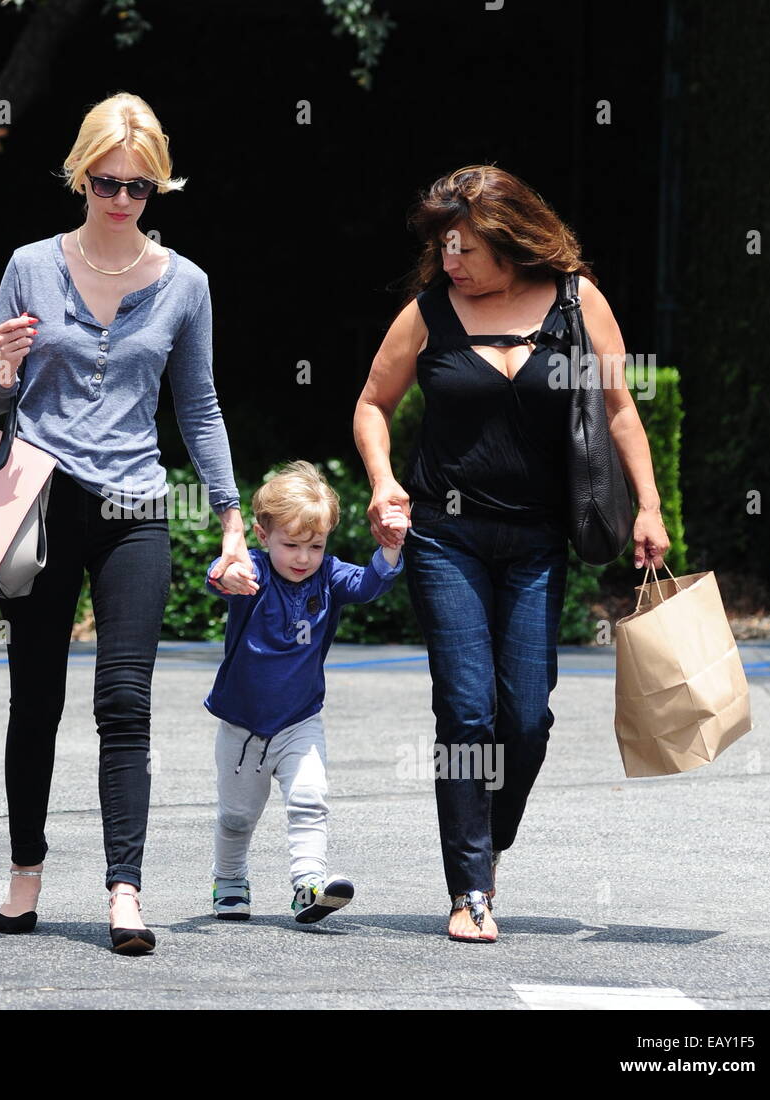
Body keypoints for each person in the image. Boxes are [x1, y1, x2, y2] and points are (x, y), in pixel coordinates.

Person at [353, 165, 671, 943]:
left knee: (525, 718)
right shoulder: (429, 312)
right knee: (466, 712)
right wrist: (384, 481)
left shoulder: (575, 302)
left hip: (536, 540)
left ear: (509, 240)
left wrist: (651, 506)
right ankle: (469, 888)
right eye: (444, 247)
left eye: (464, 248)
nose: (450, 261)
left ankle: (486, 840)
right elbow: (372, 403)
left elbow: (621, 408)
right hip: (444, 536)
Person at [0, 92, 252, 955]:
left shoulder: (187, 284)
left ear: (157, 186)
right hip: (43, 503)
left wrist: (232, 519)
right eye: (106, 184)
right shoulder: (28, 264)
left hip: (137, 505)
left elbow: (198, 407)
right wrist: (2, 367)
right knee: (37, 698)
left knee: (125, 702)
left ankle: (124, 890)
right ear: (81, 176)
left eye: (139, 187)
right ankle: (25, 874)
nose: (122, 200)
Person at [203, 460, 406, 924]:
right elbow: (217, 576)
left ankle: (308, 884)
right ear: (261, 536)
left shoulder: (329, 576)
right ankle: (230, 880)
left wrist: (390, 550)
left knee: (310, 799)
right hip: (242, 723)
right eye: (290, 545)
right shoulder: (250, 571)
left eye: (315, 546)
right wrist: (223, 573)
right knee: (237, 816)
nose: (303, 557)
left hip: (300, 720)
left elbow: (369, 583)